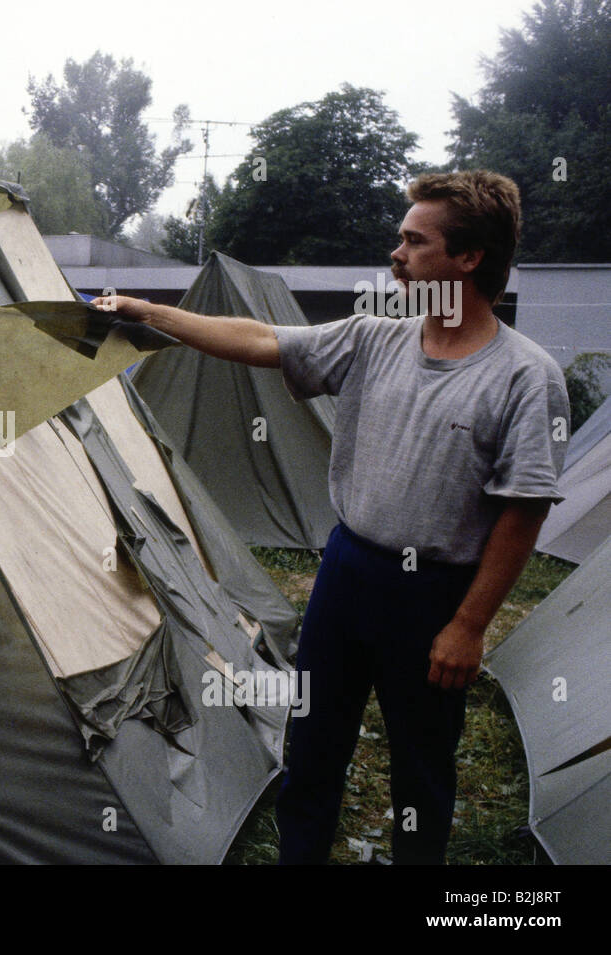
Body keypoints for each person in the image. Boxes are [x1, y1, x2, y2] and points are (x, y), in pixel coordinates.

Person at [93, 170, 569, 864]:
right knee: (312, 750)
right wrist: (150, 311)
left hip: (435, 596)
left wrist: (469, 626)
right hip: (347, 572)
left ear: (468, 258)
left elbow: (522, 512)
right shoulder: (375, 339)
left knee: (420, 773)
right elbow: (258, 338)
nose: (396, 253)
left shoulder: (526, 376)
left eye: (414, 240)